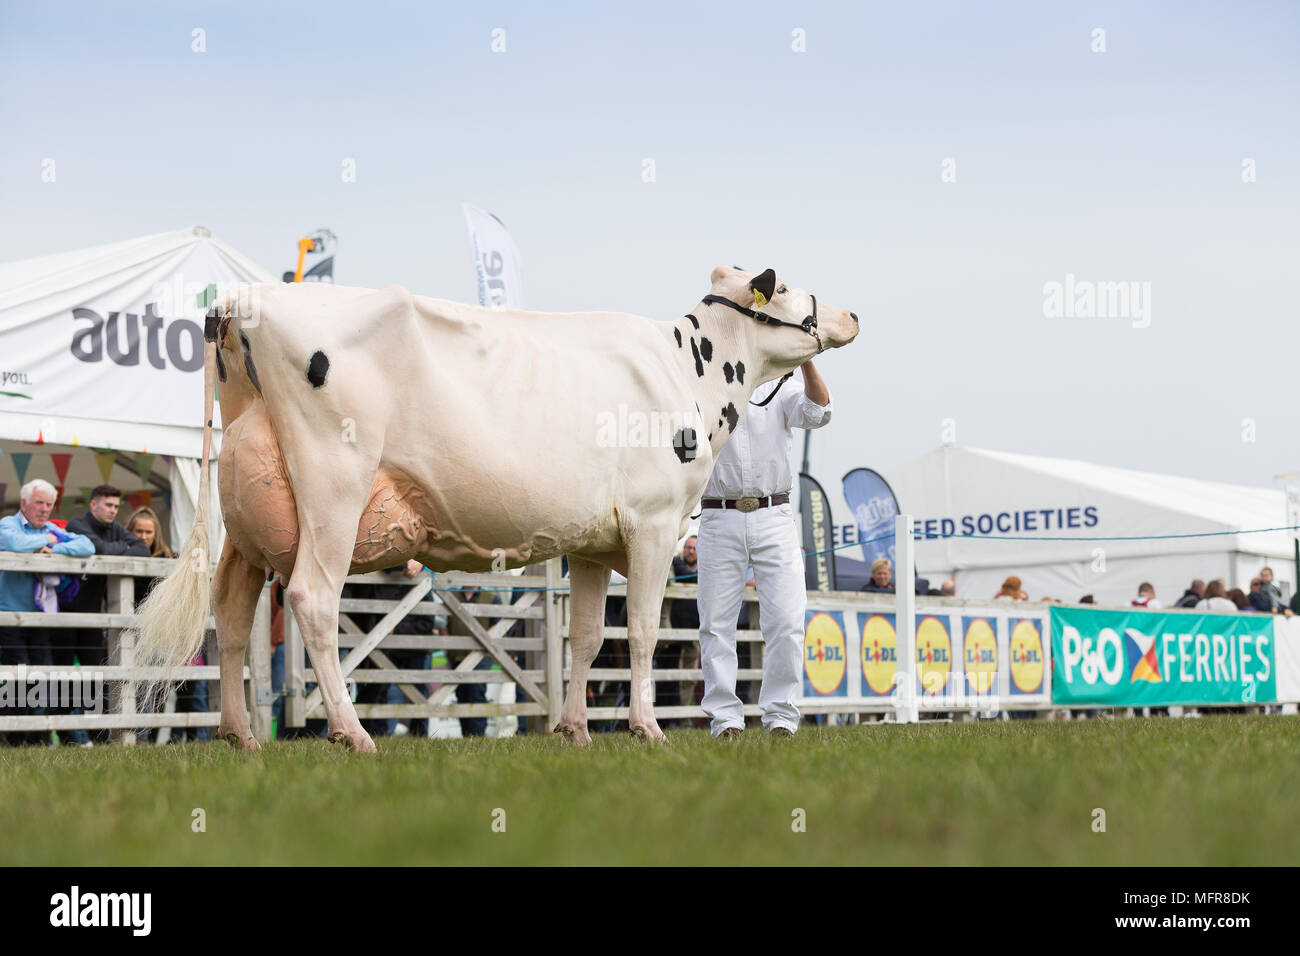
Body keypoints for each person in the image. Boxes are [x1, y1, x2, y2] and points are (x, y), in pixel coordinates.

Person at [697, 359, 832, 740]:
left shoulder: (780, 382)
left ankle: (781, 717)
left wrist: (805, 358)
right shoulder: (703, 384)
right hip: (718, 512)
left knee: (787, 620)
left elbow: (818, 412)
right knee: (715, 622)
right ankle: (725, 719)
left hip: (774, 511)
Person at [0, 479, 94, 745]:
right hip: (9, 615)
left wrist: (53, 547)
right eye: (38, 502)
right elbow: (13, 543)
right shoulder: (8, 524)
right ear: (23, 503)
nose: (44, 509)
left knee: (40, 676)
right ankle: (15, 735)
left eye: (49, 504)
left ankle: (30, 738)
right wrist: (45, 540)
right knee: (19, 676)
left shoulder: (52, 530)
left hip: (40, 617)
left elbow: (86, 545)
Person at [64, 486, 150, 743]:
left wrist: (111, 547)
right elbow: (94, 547)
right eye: (108, 505)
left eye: (115, 506)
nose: (113, 510)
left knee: (96, 677)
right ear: (93, 505)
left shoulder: (114, 528)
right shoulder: (77, 524)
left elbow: (142, 548)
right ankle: (65, 736)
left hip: (94, 618)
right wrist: (119, 547)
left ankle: (97, 737)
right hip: (63, 615)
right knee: (61, 677)